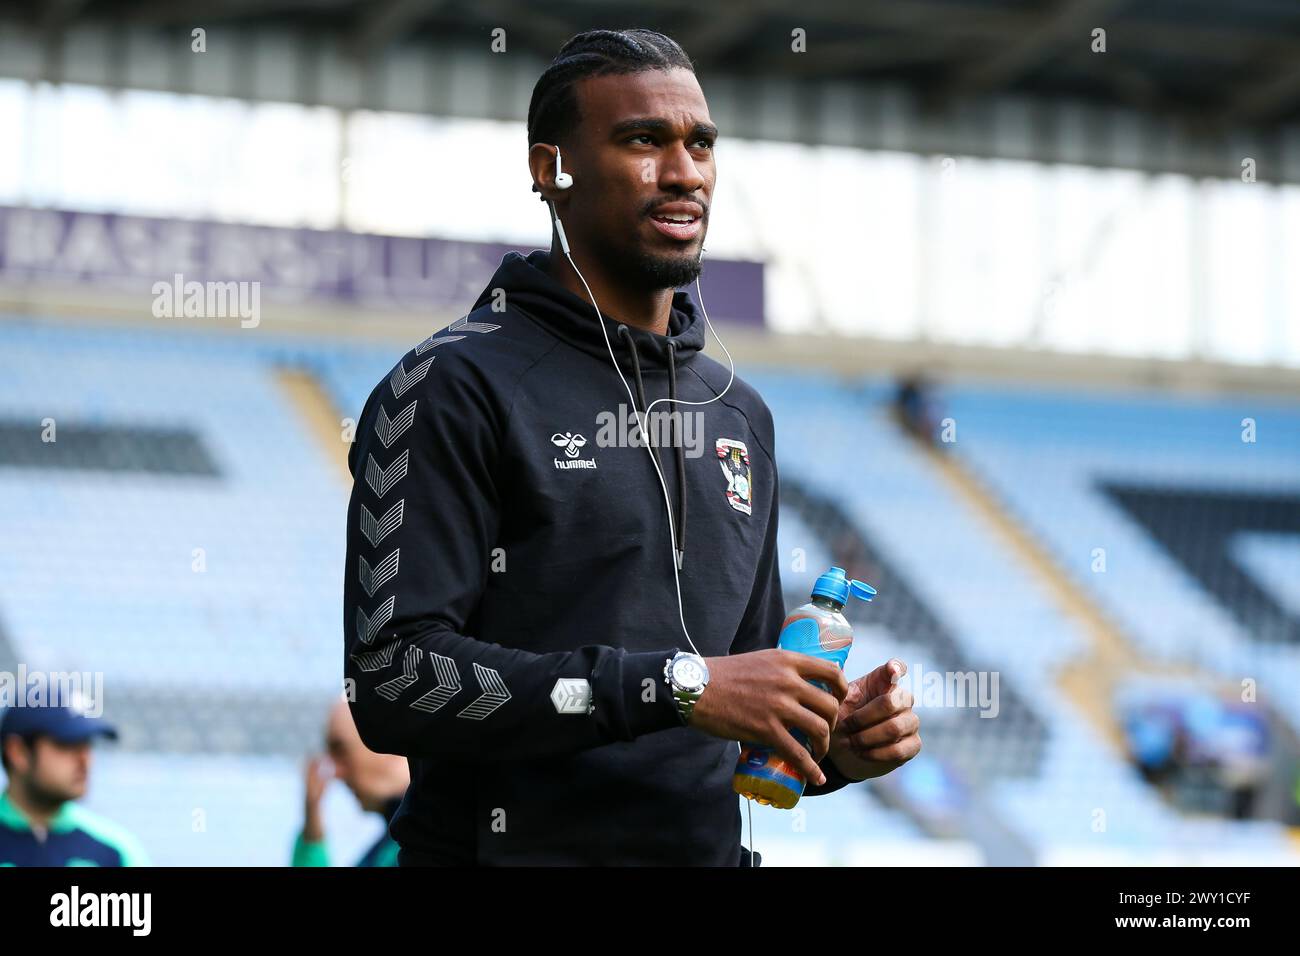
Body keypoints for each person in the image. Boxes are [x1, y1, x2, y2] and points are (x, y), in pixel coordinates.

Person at [342, 28, 921, 866]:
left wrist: (831, 747)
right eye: (643, 140)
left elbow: (734, 708)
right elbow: (393, 679)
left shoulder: (739, 415)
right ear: (552, 171)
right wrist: (676, 687)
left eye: (701, 144)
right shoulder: (451, 386)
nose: (683, 171)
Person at [0, 696, 148, 866]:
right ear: (18, 752)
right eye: (67, 743)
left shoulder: (116, 851)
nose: (85, 760)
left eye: (87, 744)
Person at [293, 700, 407, 867]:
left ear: (392, 743)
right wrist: (312, 825)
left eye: (341, 751)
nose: (334, 773)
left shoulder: (431, 843)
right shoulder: (394, 845)